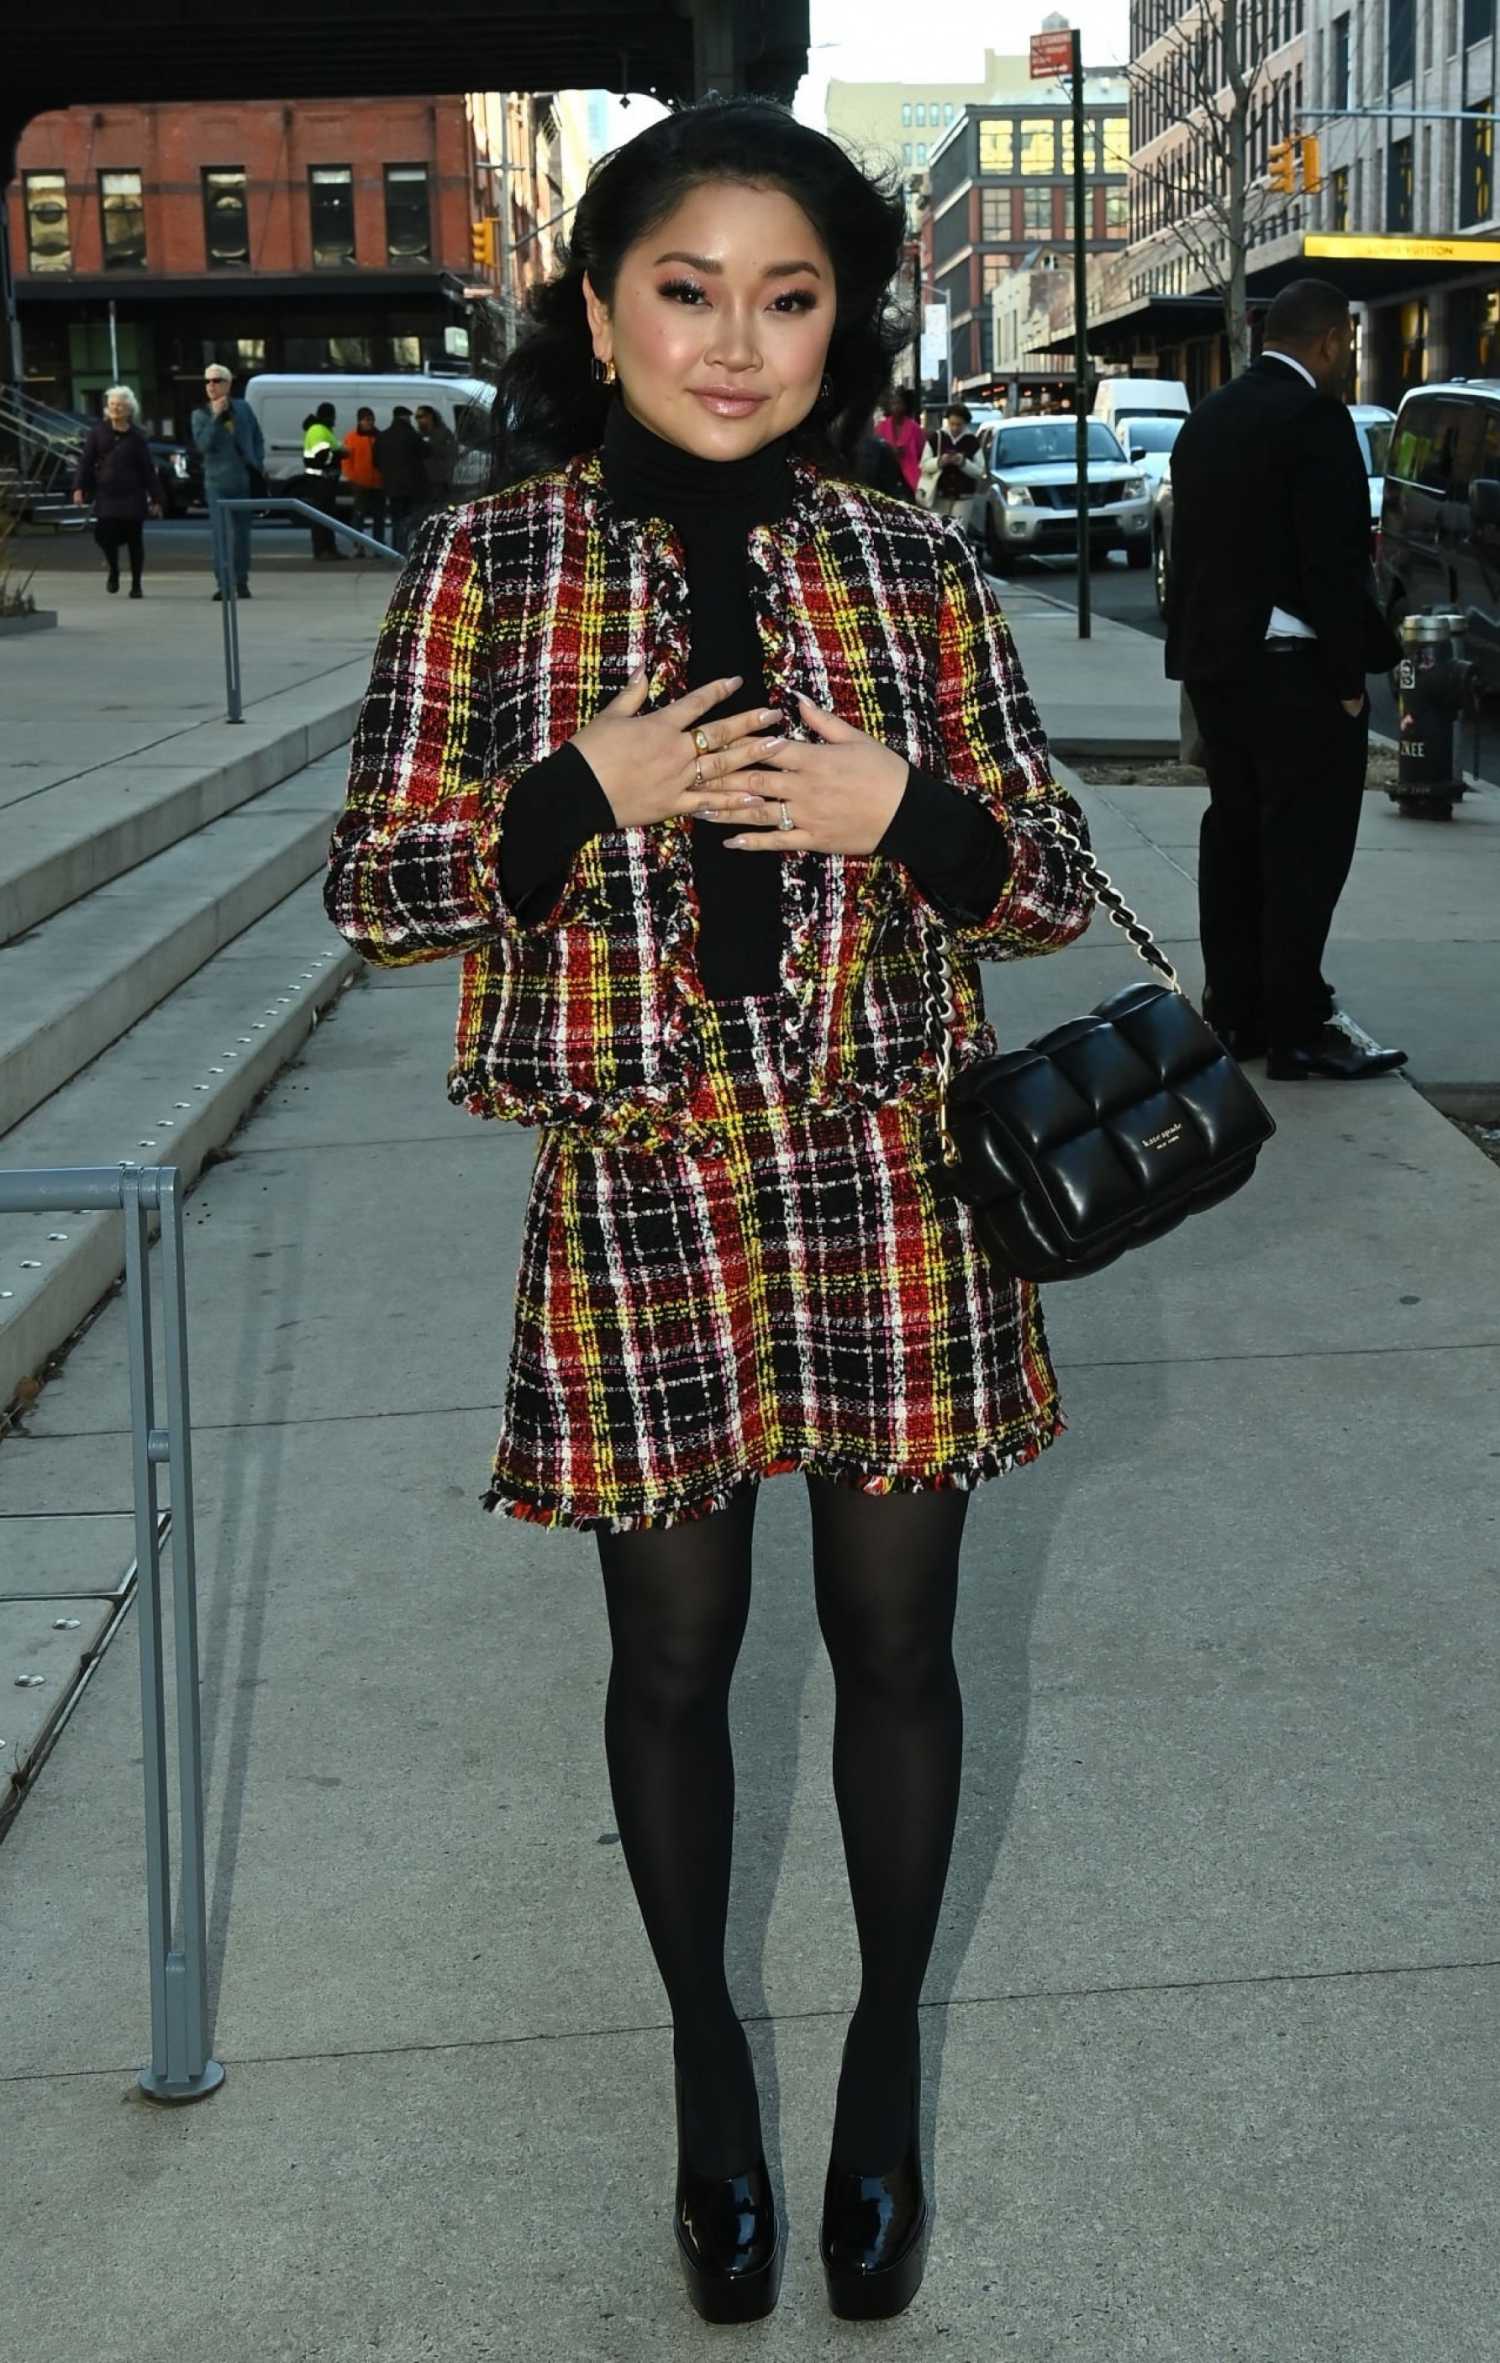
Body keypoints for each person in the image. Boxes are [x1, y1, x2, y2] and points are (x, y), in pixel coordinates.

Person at [325, 97, 1093, 2330]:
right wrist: (576, 790)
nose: (736, 340)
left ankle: (872, 2077)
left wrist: (906, 812)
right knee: (667, 1658)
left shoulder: (912, 565)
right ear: (599, 306)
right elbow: (372, 888)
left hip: (889, 1184)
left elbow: (1042, 881)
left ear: (842, 323)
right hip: (641, 1184)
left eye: (788, 295)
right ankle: (701, 2070)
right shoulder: (487, 568)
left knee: (898, 1649)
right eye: (686, 287)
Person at [1166, 278, 1407, 1080]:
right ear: (1334, 339)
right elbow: (1330, 566)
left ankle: (1236, 1013)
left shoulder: (1207, 418)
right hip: (1295, 676)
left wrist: (1191, 664)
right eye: (1350, 344)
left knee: (1235, 840)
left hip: (1217, 672)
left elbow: (1188, 556)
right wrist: (1350, 677)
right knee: (1305, 853)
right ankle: (1299, 1024)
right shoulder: (1316, 420)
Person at [71, 384, 161, 597]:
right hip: (107, 495)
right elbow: (85, 462)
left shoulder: (137, 436)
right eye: (112, 404)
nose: (115, 408)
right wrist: (78, 488)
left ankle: (136, 585)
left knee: (134, 540)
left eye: (120, 405)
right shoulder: (97, 432)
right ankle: (113, 569)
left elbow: (147, 469)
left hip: (133, 495)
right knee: (103, 536)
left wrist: (156, 498)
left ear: (129, 409)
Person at [192, 362, 265, 599]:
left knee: (243, 534)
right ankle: (223, 585)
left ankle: (242, 581)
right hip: (216, 482)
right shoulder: (200, 414)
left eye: (216, 381)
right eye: (208, 381)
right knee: (221, 534)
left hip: (242, 479)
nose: (211, 386)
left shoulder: (243, 408)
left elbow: (256, 436)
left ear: (227, 384)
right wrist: (215, 417)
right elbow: (203, 445)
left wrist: (257, 462)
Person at [926, 402, 987, 535]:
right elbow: (924, 464)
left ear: (965, 423)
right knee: (939, 533)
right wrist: (940, 461)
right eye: (952, 423)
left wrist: (963, 463)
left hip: (964, 496)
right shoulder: (937, 438)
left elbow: (980, 471)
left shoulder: (972, 441)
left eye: (958, 424)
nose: (954, 428)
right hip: (940, 495)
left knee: (957, 533)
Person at [372, 404, 426, 554]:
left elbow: (375, 462)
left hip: (391, 485)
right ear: (406, 418)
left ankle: (396, 550)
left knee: (396, 519)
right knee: (409, 519)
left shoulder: (382, 436)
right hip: (411, 485)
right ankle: (406, 551)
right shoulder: (412, 435)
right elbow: (426, 453)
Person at [302, 401, 346, 560]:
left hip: (324, 480)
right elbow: (323, 457)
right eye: (333, 416)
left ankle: (330, 549)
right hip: (320, 481)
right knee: (322, 516)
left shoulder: (322, 430)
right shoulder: (318, 430)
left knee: (327, 515)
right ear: (328, 416)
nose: (335, 419)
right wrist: (341, 454)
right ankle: (323, 550)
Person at [341, 405, 386, 547]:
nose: (370, 422)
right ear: (360, 421)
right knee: (359, 515)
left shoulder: (380, 436)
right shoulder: (351, 437)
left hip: (379, 483)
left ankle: (378, 545)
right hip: (359, 483)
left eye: (372, 419)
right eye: (367, 420)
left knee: (379, 517)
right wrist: (353, 478)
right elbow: (346, 461)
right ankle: (358, 545)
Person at [872, 384, 927, 493]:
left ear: (906, 405)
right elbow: (874, 451)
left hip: (910, 481)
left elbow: (923, 455)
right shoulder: (881, 427)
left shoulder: (915, 428)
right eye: (893, 403)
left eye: (899, 403)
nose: (895, 407)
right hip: (885, 479)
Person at [412, 401, 458, 528]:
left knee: (438, 512)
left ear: (430, 417)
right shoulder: (419, 434)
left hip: (439, 481)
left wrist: (444, 473)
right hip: (422, 482)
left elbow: (452, 454)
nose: (418, 420)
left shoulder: (443, 433)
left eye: (421, 417)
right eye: (417, 417)